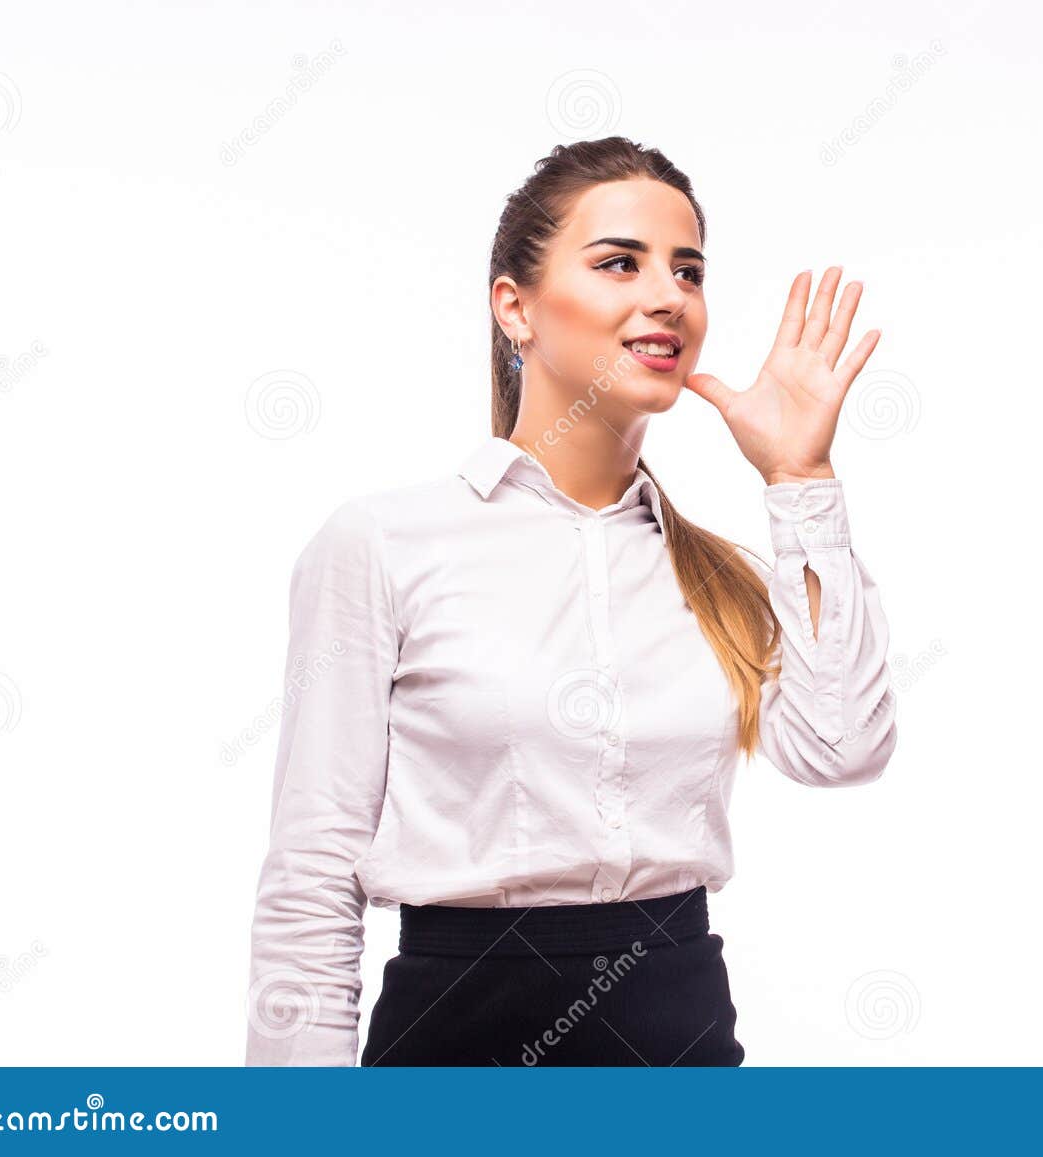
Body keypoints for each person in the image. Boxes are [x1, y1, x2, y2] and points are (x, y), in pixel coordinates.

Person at [244, 136, 898, 1066]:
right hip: (454, 1044)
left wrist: (801, 478)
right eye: (619, 263)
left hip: (681, 1045)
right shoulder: (384, 544)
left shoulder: (718, 575)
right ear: (515, 308)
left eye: (688, 270)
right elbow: (313, 874)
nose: (668, 294)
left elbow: (844, 748)